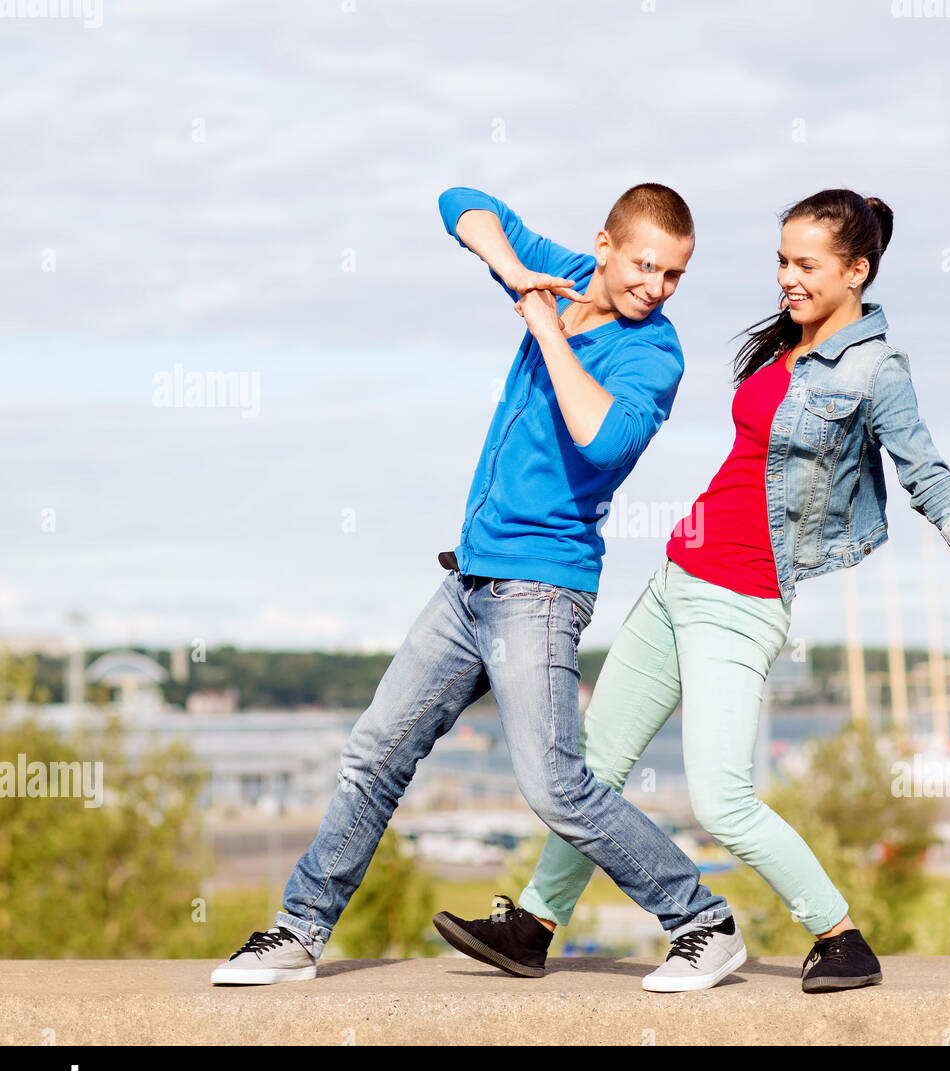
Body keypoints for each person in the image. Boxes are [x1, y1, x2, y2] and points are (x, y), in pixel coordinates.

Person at [438, 189, 950, 994]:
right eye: (782, 262)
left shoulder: (875, 369)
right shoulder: (786, 349)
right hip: (677, 579)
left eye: (806, 265)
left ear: (857, 270)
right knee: (596, 766)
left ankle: (841, 936)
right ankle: (533, 926)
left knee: (721, 800)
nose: (786, 279)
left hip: (742, 598)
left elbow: (930, 477)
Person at [211, 183, 750, 993]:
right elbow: (459, 201)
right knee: (373, 754)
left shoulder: (656, 354)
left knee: (554, 784)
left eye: (674, 275)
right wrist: (515, 272)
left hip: (540, 590)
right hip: (467, 584)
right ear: (604, 246)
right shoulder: (562, 272)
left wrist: (541, 322)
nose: (657, 288)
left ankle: (701, 922)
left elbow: (599, 436)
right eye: (645, 265)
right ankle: (298, 931)